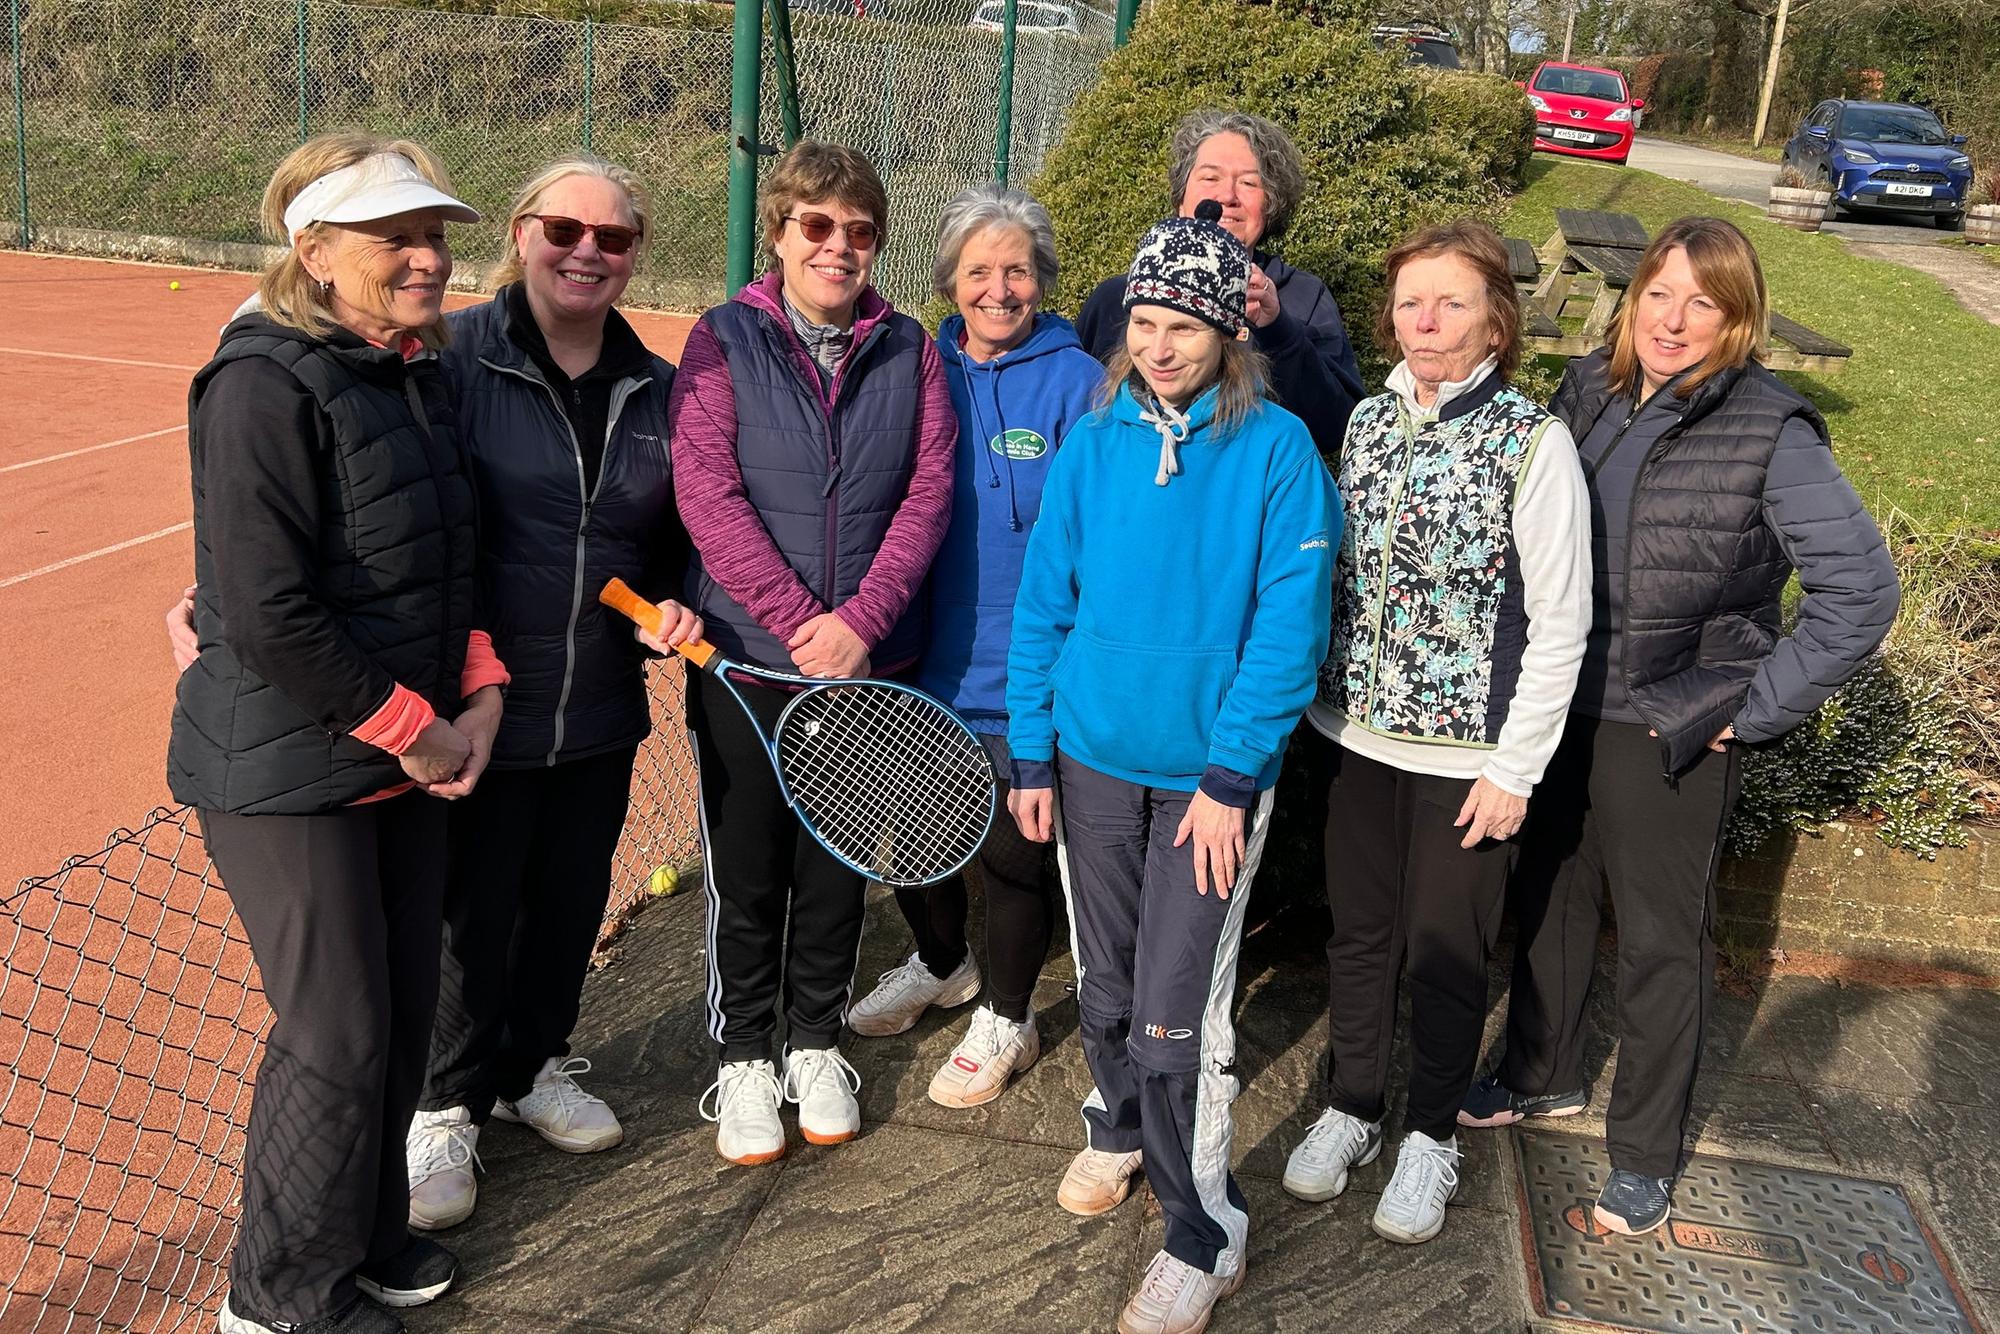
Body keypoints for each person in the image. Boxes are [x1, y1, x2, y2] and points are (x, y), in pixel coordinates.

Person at [1457, 217, 1900, 1236]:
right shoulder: (1587, 391)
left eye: (1703, 301)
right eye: (1660, 292)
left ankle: (1644, 1156)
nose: (1673, 318)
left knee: (1660, 943)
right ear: (1633, 297)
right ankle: (1537, 1070)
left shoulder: (1769, 428)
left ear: (1735, 319)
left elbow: (1858, 593)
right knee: (1551, 898)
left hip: (1671, 718)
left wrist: (1753, 707)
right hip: (1560, 700)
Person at [168, 132, 499, 1334]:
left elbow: (447, 556)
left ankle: (359, 1236)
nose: (426, 258)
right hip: (288, 769)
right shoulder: (260, 384)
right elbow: (265, 609)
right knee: (335, 1033)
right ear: (313, 252)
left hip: (398, 754)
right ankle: (277, 1295)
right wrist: (416, 728)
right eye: (395, 239)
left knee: (403, 1011)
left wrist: (481, 683)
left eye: (433, 237)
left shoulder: (411, 370)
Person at [1007, 201, 1338, 1334]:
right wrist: (1029, 747)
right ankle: (1116, 1130)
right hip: (1091, 761)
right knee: (1102, 989)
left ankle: (1202, 1227)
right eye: (1142, 320)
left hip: (1206, 784)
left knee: (1171, 1015)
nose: (1158, 344)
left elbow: (1288, 628)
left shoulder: (1277, 449)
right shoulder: (1093, 437)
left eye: (1183, 326)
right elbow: (1044, 599)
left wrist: (1231, 775)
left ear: (1225, 333)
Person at [1279, 221, 1591, 1245]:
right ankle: (1352, 1104)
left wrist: (1515, 768)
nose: (1424, 320)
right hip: (1357, 737)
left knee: (1447, 952)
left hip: (1471, 759)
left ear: (1492, 316)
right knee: (1359, 937)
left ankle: (1427, 1134)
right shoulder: (1366, 422)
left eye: (1449, 301)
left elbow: (1561, 620)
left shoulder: (1530, 442)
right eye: (1410, 301)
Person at [403, 156, 700, 1230]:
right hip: (478, 708)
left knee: (569, 899)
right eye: (564, 228)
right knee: (470, 917)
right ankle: (444, 1105)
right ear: (522, 233)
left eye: (612, 238)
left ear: (633, 257)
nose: (587, 250)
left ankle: (530, 1070)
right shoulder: (450, 357)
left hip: (601, 706)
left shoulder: (658, 388)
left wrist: (671, 606)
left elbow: (669, 544)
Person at [670, 141, 954, 1165]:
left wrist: (861, 623)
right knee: (746, 871)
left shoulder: (908, 347)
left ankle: (813, 1038)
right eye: (818, 227)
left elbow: (927, 494)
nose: (838, 247)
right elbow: (706, 498)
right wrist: (801, 623)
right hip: (749, 661)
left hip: (859, 662)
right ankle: (743, 1055)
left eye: (859, 231)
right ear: (781, 234)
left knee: (837, 868)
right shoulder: (721, 341)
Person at [840, 184, 1102, 1110]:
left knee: (1011, 854)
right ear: (948, 279)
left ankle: (1009, 1011)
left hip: (1024, 672)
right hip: (915, 660)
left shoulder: (1079, 382)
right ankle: (943, 962)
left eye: (1018, 270)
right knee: (910, 842)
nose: (998, 289)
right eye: (979, 270)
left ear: (1043, 282)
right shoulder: (913, 365)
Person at [1075, 109, 1363, 458]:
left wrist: (1279, 332)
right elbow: (1086, 414)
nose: (1227, 196)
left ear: (1271, 204)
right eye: (1210, 178)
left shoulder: (1303, 298)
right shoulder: (1116, 300)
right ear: (1181, 199)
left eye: (1249, 182)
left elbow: (1337, 430)